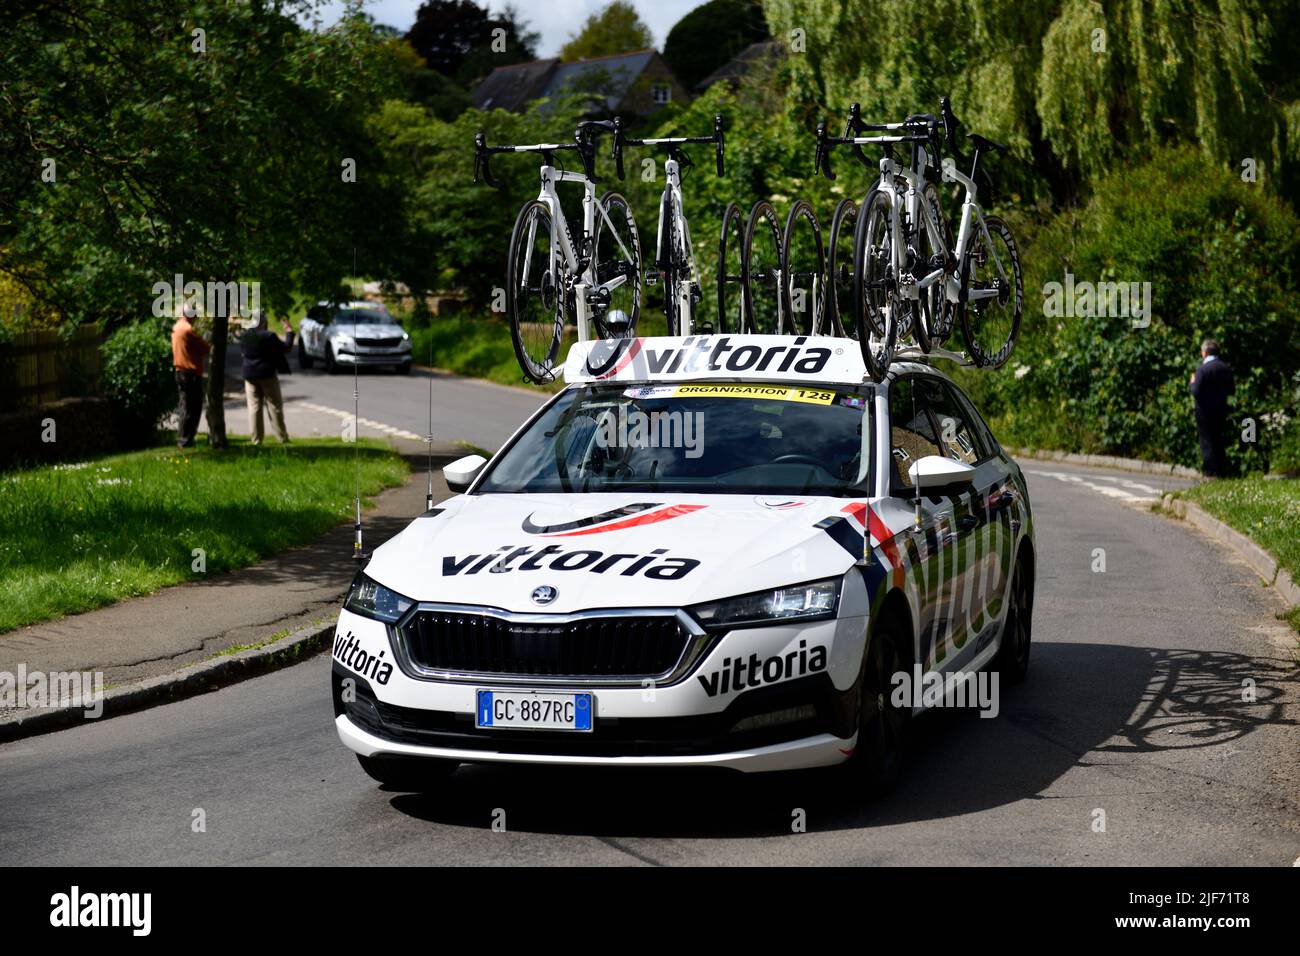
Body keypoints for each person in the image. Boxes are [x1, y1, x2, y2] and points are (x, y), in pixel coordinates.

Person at [239, 310, 293, 445]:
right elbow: (286, 347)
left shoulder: (245, 336)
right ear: (263, 322)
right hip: (267, 374)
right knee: (274, 406)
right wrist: (289, 332)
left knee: (254, 407)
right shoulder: (269, 336)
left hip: (250, 375)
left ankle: (256, 439)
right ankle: (281, 437)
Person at [1189, 337, 1234, 478]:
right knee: (1219, 440)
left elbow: (1196, 391)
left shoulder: (1202, 370)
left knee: (1207, 442)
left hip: (1204, 411)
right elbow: (1232, 390)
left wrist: (1192, 383)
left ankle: (1210, 472)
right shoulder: (1225, 368)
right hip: (1221, 409)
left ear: (1205, 353)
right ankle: (1221, 471)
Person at [171, 300, 209, 449]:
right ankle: (186, 439)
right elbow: (205, 348)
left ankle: (183, 437)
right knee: (193, 407)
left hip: (180, 370)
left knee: (184, 405)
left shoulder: (176, 327)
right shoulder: (188, 329)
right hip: (191, 372)